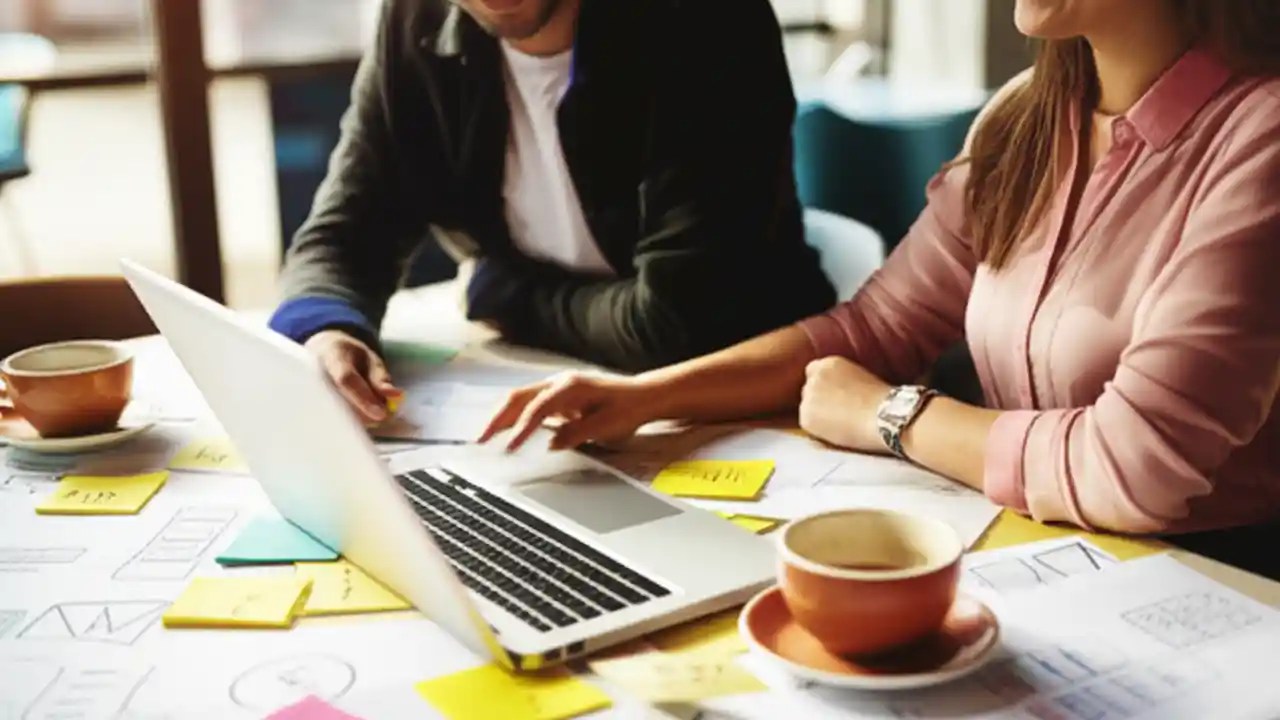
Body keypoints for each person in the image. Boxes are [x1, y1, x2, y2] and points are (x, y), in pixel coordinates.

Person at [484, 0, 1280, 537]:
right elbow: (873, 329)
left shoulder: (1260, 139)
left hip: (1223, 592)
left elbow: (1137, 466)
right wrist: (644, 399)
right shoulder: (1023, 117)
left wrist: (890, 416)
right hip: (1035, 551)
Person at [268, 0, 835, 425]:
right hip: (543, 380)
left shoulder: (705, 21)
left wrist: (507, 294)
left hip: (742, 400)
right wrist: (325, 330)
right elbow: (346, 229)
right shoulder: (418, 17)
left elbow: (678, 324)